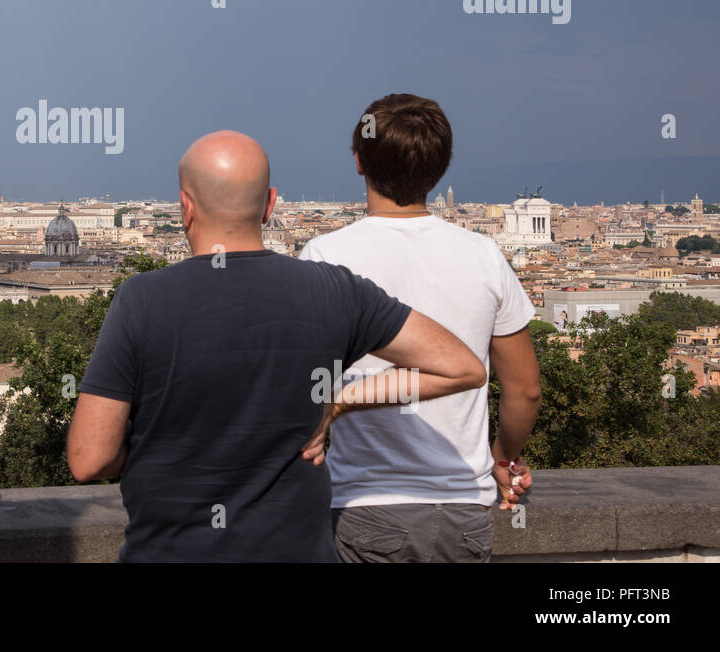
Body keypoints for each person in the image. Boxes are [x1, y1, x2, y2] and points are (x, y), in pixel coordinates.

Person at [66, 129, 487, 561]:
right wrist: (340, 401)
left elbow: (88, 459)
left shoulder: (141, 300)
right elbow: (462, 367)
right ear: (270, 205)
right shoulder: (334, 290)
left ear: (185, 207)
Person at [299, 94, 542, 562]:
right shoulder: (483, 255)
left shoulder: (325, 256)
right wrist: (502, 457)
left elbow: (303, 379)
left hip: (366, 505)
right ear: (440, 168)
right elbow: (525, 389)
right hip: (464, 511)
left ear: (358, 162)